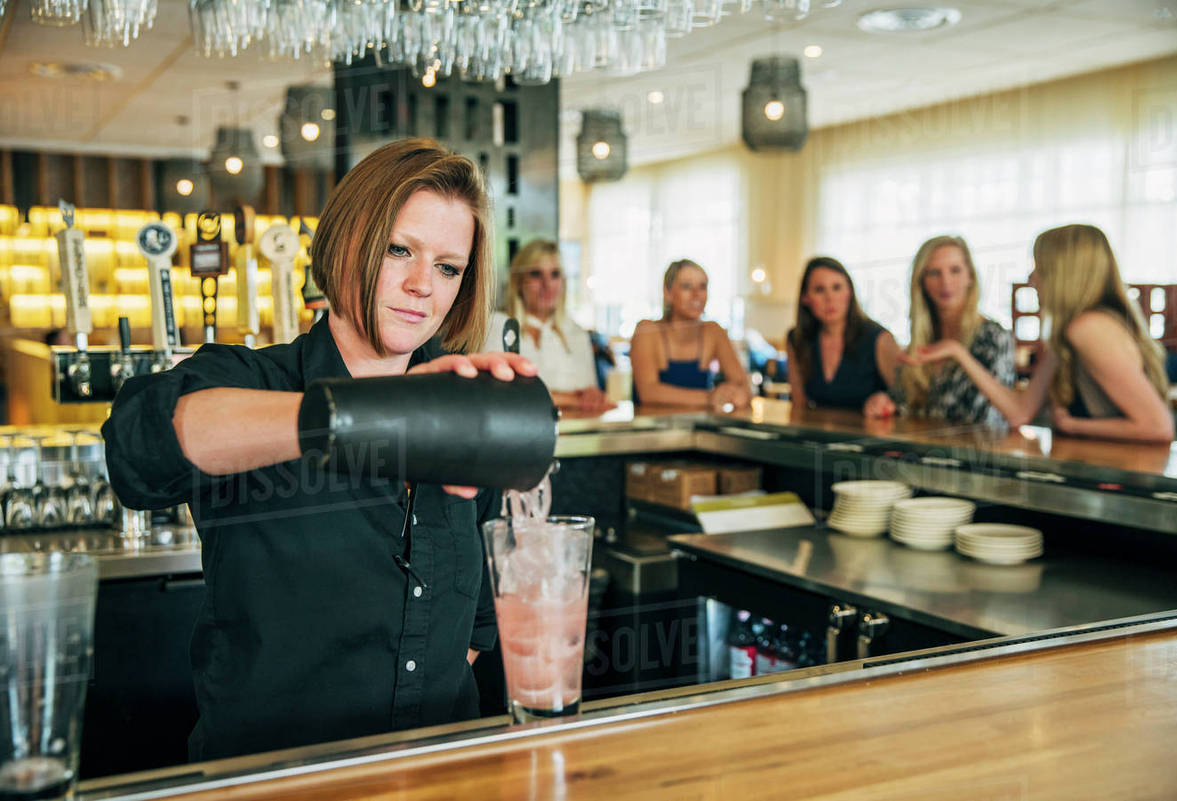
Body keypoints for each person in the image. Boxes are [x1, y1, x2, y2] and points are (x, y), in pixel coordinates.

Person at [101, 139, 537, 761]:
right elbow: (138, 453)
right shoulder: (252, 380)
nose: (421, 286)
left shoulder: (461, 399)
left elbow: (481, 612)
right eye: (398, 250)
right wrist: (369, 418)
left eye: (448, 267)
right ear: (344, 244)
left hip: (435, 776)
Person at [899, 224, 1174, 443]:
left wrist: (1072, 425)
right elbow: (1019, 412)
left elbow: (1158, 427)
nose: (1032, 278)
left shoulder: (1089, 328)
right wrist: (959, 351)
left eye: (1040, 267)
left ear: (1065, 273)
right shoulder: (1070, 332)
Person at [866, 235, 1014, 426]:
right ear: (921, 282)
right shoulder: (923, 336)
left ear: (970, 276)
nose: (946, 282)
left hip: (975, 453)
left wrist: (957, 352)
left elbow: (987, 418)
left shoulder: (994, 337)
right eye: (934, 273)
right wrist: (884, 402)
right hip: (922, 450)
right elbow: (906, 403)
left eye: (955, 270)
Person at [482, 239, 612, 412]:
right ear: (519, 282)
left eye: (555, 274)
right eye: (536, 274)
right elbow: (498, 395)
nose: (547, 284)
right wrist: (572, 399)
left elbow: (591, 397)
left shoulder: (575, 333)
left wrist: (588, 397)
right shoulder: (498, 325)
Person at [629, 259, 752, 412]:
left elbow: (743, 386)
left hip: (697, 432)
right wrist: (711, 397)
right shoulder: (647, 331)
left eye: (702, 287)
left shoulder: (714, 331)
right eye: (686, 286)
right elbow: (648, 393)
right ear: (668, 293)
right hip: (653, 432)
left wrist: (736, 394)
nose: (696, 295)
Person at [785, 256, 901, 411]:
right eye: (819, 290)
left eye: (837, 287)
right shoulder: (797, 339)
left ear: (850, 292)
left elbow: (906, 399)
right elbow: (799, 407)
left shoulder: (880, 338)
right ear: (806, 298)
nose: (830, 298)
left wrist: (888, 401)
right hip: (818, 433)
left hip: (872, 433)